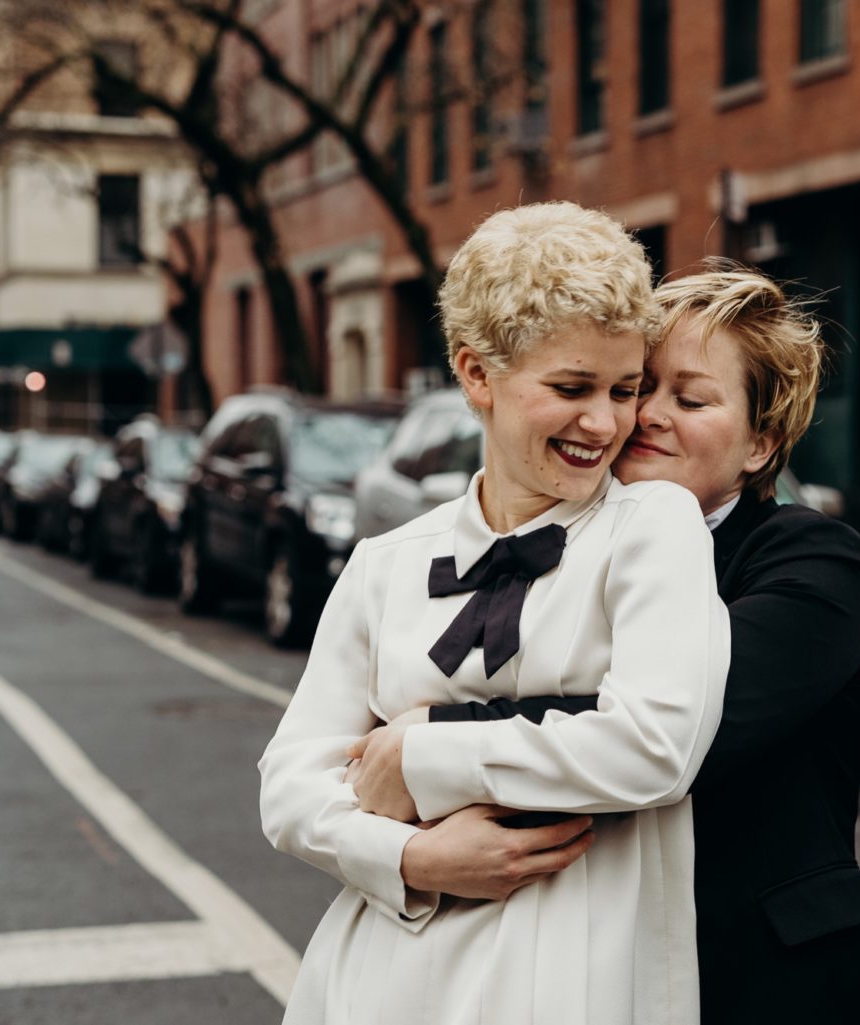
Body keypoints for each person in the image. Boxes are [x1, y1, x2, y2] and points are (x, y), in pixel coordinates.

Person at [353, 267, 860, 1024]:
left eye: (691, 399)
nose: (649, 415)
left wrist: (424, 742)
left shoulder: (815, 561)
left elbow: (681, 727)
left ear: (760, 443)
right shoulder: (560, 547)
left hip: (777, 980)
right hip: (592, 975)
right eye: (635, 388)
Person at [258, 202, 730, 1025]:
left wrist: (421, 758)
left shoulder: (652, 529)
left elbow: (656, 744)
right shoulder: (386, 562)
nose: (607, 422)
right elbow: (291, 785)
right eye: (570, 387)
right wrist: (409, 854)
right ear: (477, 374)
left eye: (625, 389)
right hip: (380, 979)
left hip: (576, 982)